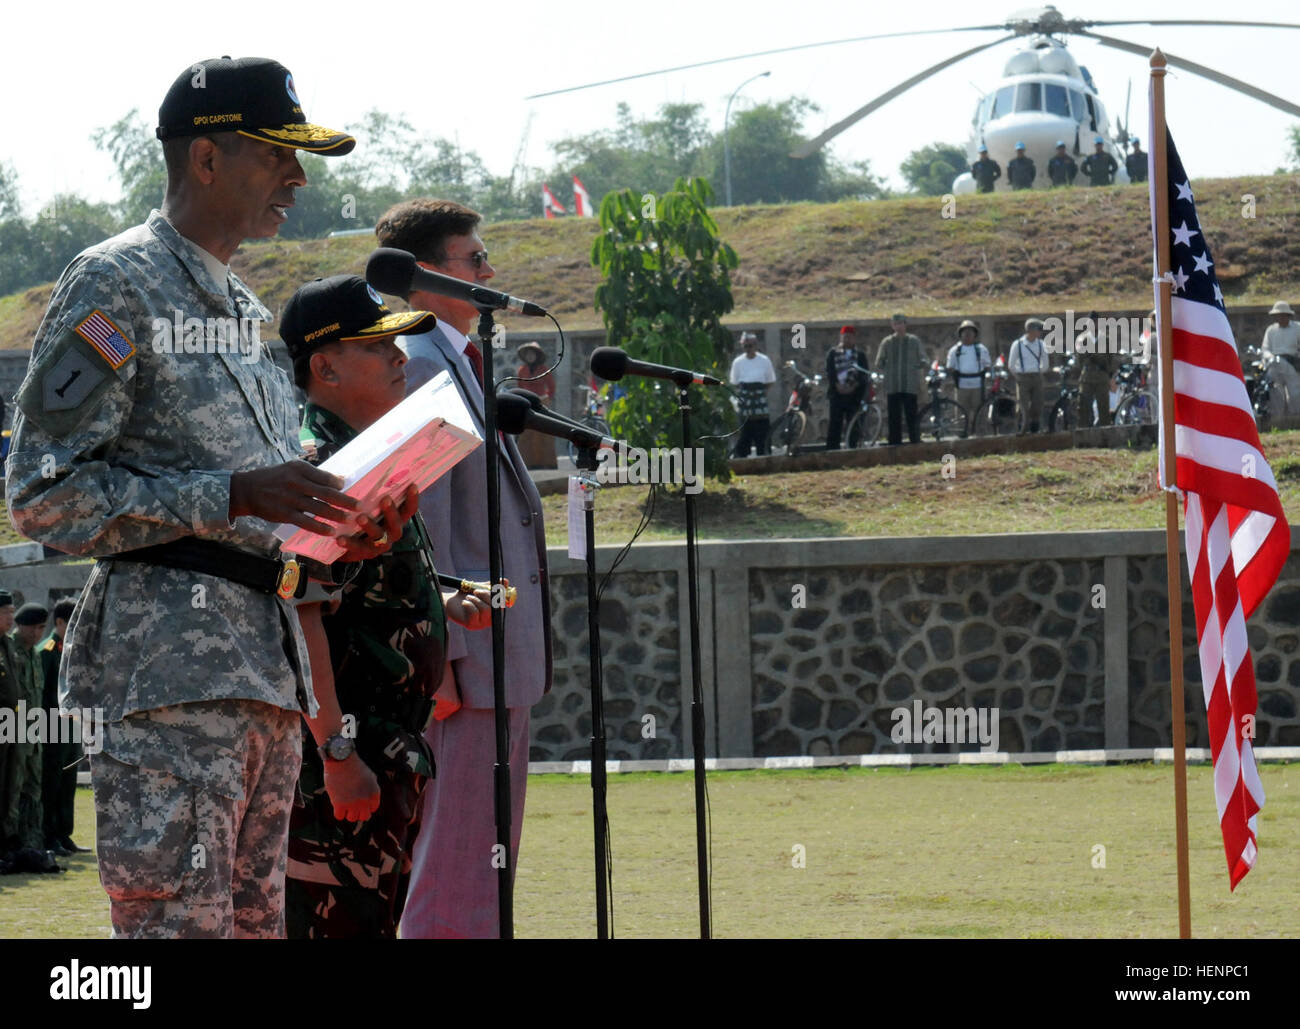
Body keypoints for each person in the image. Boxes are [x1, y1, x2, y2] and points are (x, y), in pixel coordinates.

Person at [2, 57, 398, 938]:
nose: (297, 177)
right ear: (207, 158)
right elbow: (42, 492)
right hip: (169, 682)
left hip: (263, 673)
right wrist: (230, 493)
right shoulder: (115, 286)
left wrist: (344, 526)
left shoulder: (243, 309)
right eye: (277, 154)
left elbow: (264, 500)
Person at [276, 274, 493, 938]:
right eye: (378, 347)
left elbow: (361, 586)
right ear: (325, 367)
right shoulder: (318, 471)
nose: (400, 358)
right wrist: (337, 754)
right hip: (343, 761)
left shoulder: (370, 454)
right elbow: (299, 618)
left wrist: (445, 600)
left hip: (389, 748)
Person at [375, 198, 552, 939]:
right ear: (425, 274)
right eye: (474, 259)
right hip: (466, 662)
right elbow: (426, 526)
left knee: (481, 862)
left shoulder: (455, 359)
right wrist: (439, 664)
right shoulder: (421, 364)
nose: (489, 271)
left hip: (494, 656)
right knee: (454, 869)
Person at [41, 598, 86, 856]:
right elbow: (43, 693)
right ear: (59, 622)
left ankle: (64, 834)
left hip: (71, 727)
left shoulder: (70, 651)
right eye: (73, 622)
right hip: (52, 727)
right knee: (52, 785)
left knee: (68, 783)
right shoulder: (47, 651)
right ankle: (49, 836)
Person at [9, 604, 48, 858]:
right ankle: (10, 842)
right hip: (11, 732)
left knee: (33, 788)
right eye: (32, 627)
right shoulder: (9, 651)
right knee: (12, 790)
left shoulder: (34, 654)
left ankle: (31, 842)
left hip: (33, 733)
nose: (37, 633)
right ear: (19, 625)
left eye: (41, 628)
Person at [876, 314, 925, 445]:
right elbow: (879, 361)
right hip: (893, 385)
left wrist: (917, 366)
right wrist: (887, 367)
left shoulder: (914, 341)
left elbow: (923, 358)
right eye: (895, 324)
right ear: (892, 326)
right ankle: (894, 441)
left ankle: (915, 439)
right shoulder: (887, 342)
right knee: (894, 415)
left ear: (905, 324)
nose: (898, 326)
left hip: (909, 384)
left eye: (901, 323)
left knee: (911, 414)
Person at [729, 331, 777, 457]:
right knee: (744, 430)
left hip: (760, 399)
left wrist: (761, 394)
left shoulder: (764, 360)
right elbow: (734, 382)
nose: (748, 349)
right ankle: (742, 456)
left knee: (762, 430)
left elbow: (770, 380)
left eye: (750, 346)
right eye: (745, 346)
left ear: (755, 345)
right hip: (745, 399)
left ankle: (764, 454)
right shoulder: (738, 362)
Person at [513, 342, 558, 469]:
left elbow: (552, 387)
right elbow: (519, 387)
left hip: (541, 403)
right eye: (528, 354)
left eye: (532, 354)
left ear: (537, 356)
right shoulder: (522, 370)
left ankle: (547, 463)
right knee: (526, 433)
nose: (530, 356)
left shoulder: (544, 369)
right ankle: (528, 464)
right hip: (527, 404)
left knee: (544, 433)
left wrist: (545, 399)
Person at [825, 326, 868, 449]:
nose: (847, 339)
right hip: (837, 394)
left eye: (849, 337)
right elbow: (830, 371)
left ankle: (852, 448)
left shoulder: (860, 355)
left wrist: (853, 386)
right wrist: (837, 385)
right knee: (835, 423)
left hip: (854, 395)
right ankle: (832, 449)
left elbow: (863, 374)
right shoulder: (833, 353)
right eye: (844, 337)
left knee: (853, 423)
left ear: (854, 338)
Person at [0, 591, 19, 862]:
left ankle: (4, 845)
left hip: (10, 723)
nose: (10, 617)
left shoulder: (8, 644)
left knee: (7, 785)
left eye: (13, 612)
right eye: (5, 612)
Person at [946, 320, 990, 432]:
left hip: (978, 386)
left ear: (975, 334)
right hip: (962, 386)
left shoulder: (981, 349)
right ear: (960, 334)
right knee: (961, 412)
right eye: (965, 332)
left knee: (980, 412)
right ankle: (963, 433)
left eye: (970, 331)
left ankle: (980, 433)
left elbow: (987, 365)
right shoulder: (955, 350)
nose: (967, 334)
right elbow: (950, 367)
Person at [1074, 311, 1117, 426]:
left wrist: (1109, 374)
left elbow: (1111, 360)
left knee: (1104, 408)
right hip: (1087, 377)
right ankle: (1083, 432)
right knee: (1083, 407)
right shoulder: (1082, 339)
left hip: (1101, 377)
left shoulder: (1106, 339)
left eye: (1096, 322)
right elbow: (1079, 361)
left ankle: (1105, 432)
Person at [1007, 318, 1050, 433]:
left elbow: (1045, 363)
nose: (1040, 332)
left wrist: (1039, 372)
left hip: (1036, 376)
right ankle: (1022, 428)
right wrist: (1018, 377)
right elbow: (1011, 364)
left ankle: (1035, 427)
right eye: (1039, 329)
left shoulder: (1041, 344)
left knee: (1038, 404)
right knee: (1022, 405)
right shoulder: (1018, 344)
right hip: (1022, 376)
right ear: (1030, 330)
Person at [1261, 300, 1300, 417]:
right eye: (1278, 315)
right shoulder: (1271, 330)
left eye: (1283, 315)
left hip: (1292, 363)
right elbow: (1265, 349)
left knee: (1295, 392)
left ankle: (1296, 418)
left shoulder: (1297, 328)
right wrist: (1271, 357)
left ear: (1288, 315)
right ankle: (1278, 419)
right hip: (1274, 363)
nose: (1280, 318)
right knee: (1276, 392)